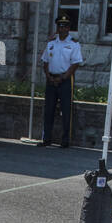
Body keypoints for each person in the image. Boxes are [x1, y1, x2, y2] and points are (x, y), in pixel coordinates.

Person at [39, 13, 83, 148]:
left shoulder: (74, 44)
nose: (62, 29)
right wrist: (49, 76)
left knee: (66, 110)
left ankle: (65, 140)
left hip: (65, 80)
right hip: (51, 79)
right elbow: (45, 61)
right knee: (49, 110)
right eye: (60, 26)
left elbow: (75, 63)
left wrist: (63, 77)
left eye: (65, 26)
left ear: (69, 28)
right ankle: (46, 139)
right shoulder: (51, 43)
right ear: (57, 27)